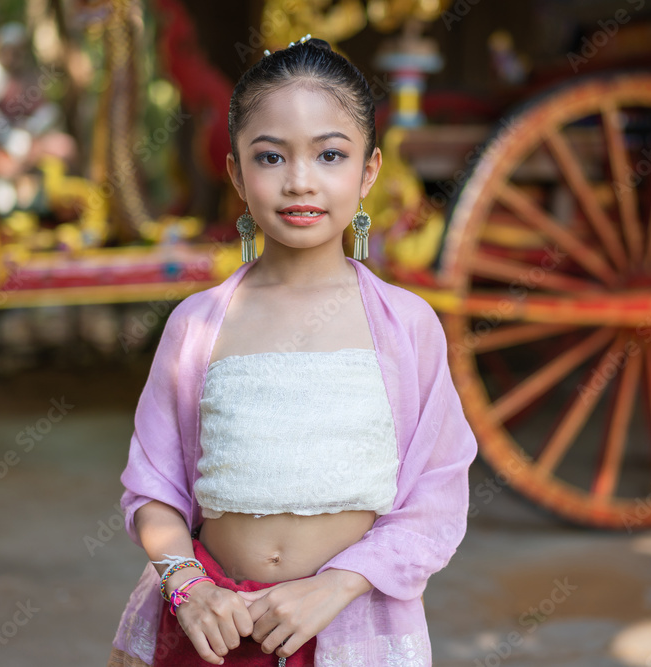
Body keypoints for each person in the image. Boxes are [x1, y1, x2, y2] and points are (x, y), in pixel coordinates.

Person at [108, 34, 478, 666]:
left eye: (330, 156)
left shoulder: (406, 325)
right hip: (209, 633)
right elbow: (153, 488)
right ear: (235, 171)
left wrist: (337, 585)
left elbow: (435, 497)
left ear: (369, 172)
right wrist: (189, 587)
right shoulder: (199, 324)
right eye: (271, 157)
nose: (300, 182)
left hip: (347, 626)